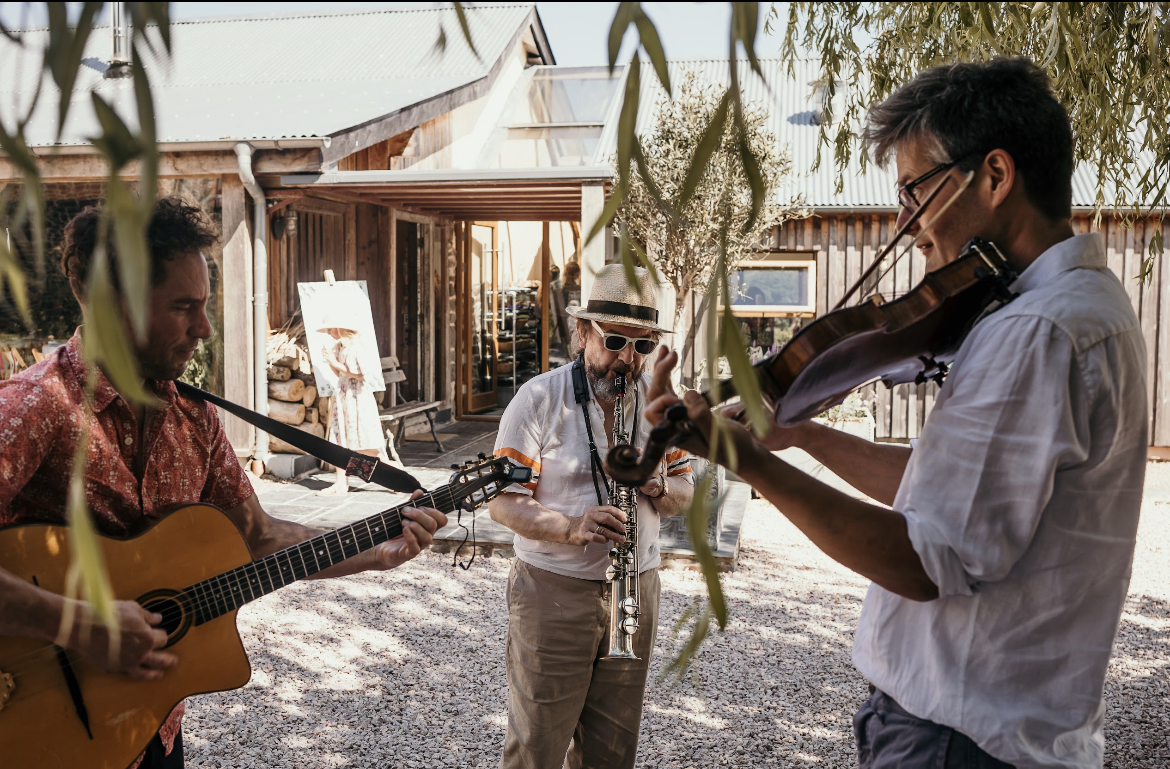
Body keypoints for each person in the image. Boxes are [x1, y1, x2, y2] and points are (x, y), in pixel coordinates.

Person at [647, 58, 1147, 769]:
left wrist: (749, 462)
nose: (908, 222)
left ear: (995, 176)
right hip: (993, 730)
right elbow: (952, 488)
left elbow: (926, 561)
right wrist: (805, 435)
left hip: (958, 736)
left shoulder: (1035, 331)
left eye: (916, 189)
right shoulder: (1088, 307)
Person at [0, 198, 447, 769]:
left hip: (150, 726)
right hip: (37, 731)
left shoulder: (194, 418)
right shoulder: (34, 409)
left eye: (205, 305)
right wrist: (82, 626)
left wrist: (376, 552)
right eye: (183, 307)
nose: (205, 328)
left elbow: (259, 537)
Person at [489, 264, 695, 769]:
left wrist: (658, 486)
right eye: (615, 341)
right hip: (553, 590)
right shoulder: (538, 399)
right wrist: (570, 527)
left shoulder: (661, 405)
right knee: (536, 747)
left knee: (612, 751)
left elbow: (685, 491)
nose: (627, 359)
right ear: (582, 332)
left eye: (643, 345)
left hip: (636, 589)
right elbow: (502, 501)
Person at [318, 315, 391, 494]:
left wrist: (334, 362)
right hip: (344, 395)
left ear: (340, 328)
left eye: (330, 329)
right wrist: (331, 361)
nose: (328, 333)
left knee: (362, 442)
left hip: (357, 396)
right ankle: (340, 483)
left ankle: (394, 473)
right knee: (340, 441)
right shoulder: (339, 347)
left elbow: (358, 375)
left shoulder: (355, 347)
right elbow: (340, 374)